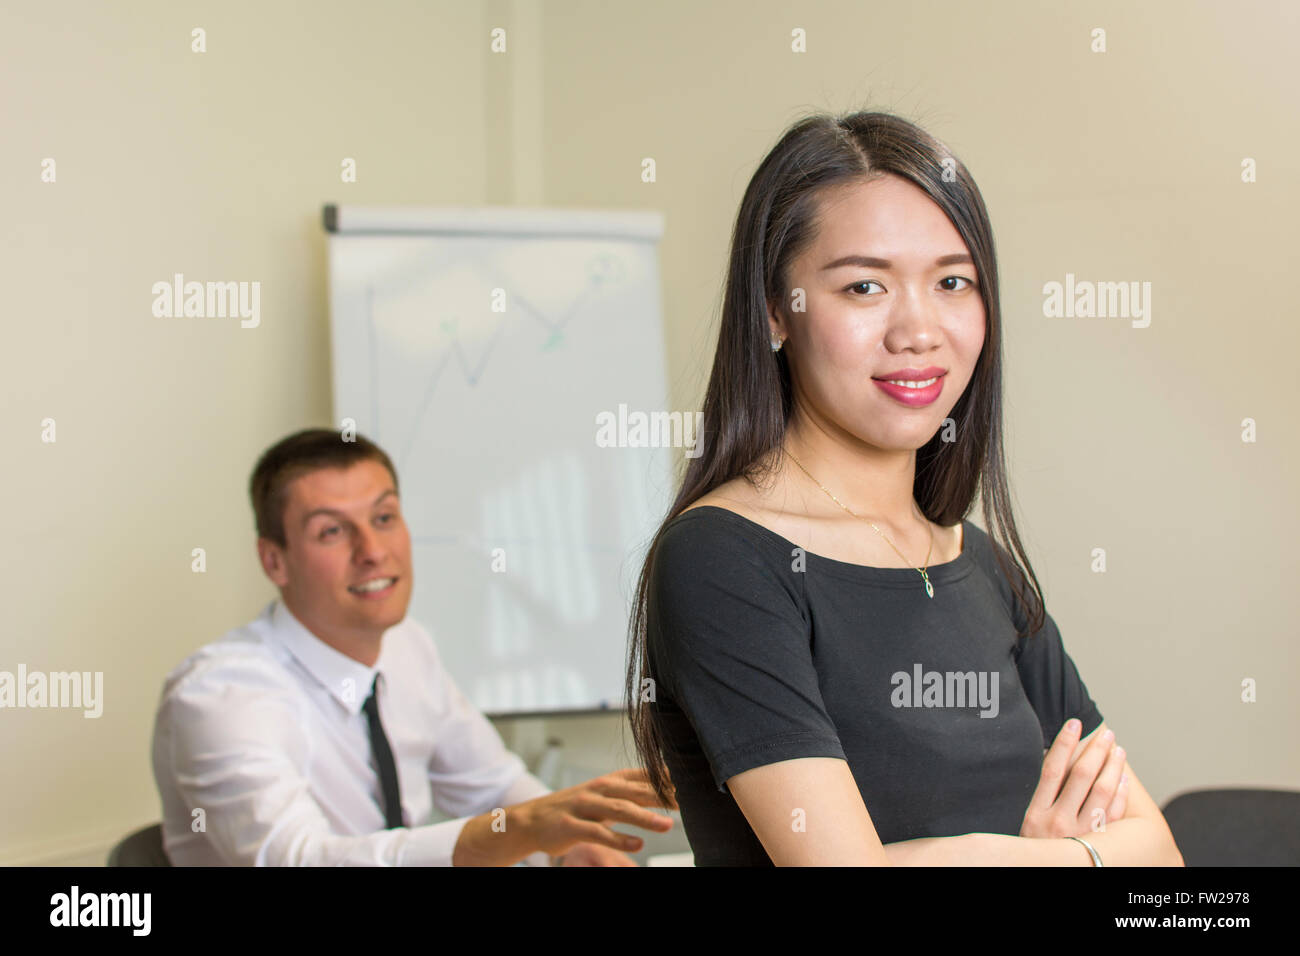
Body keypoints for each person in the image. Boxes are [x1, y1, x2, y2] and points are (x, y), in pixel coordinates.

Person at [624, 110, 1184, 866]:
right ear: (772, 313)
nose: (918, 330)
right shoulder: (721, 561)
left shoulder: (979, 564)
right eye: (864, 286)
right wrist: (1069, 856)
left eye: (953, 282)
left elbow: (1160, 855)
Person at [152, 428, 674, 866]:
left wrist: (572, 846)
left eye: (383, 518)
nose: (373, 552)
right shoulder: (219, 695)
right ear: (275, 562)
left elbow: (494, 785)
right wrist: (522, 829)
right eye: (332, 531)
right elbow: (301, 860)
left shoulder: (407, 646)